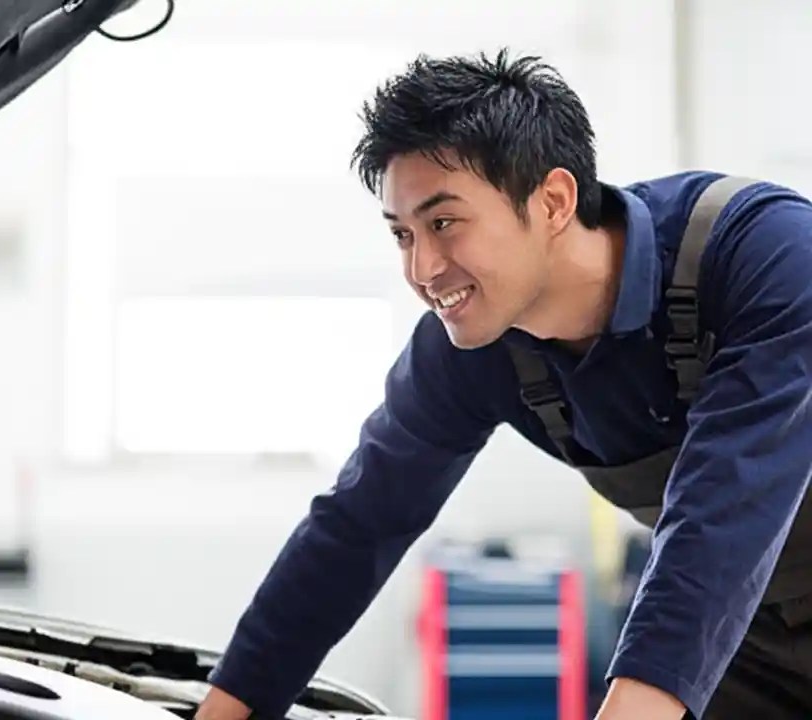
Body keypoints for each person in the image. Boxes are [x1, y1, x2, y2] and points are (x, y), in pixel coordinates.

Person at [194, 49, 812, 720]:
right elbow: (357, 526)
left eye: (444, 223)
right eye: (402, 235)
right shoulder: (472, 346)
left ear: (552, 201)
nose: (423, 267)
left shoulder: (766, 257)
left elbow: (720, 518)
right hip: (748, 637)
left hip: (724, 587)